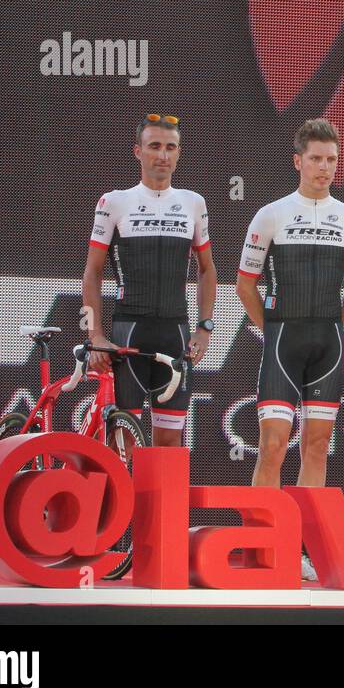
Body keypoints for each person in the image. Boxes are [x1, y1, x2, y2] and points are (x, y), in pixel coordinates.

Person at [237, 119, 344, 582]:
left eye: (331, 159)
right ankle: (262, 544)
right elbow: (245, 284)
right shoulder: (271, 214)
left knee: (317, 447)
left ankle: (300, 549)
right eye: (315, 158)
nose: (324, 167)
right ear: (298, 161)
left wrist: (333, 325)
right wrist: (271, 330)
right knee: (272, 445)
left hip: (327, 342)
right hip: (283, 343)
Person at [83, 113, 216, 447]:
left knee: (169, 443)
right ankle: (121, 501)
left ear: (179, 153)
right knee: (124, 439)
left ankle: (159, 502)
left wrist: (204, 328)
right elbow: (93, 272)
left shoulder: (193, 203)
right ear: (138, 152)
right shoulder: (114, 202)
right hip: (130, 331)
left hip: (175, 332)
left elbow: (207, 269)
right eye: (154, 146)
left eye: (171, 147)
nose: (163, 155)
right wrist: (95, 334)